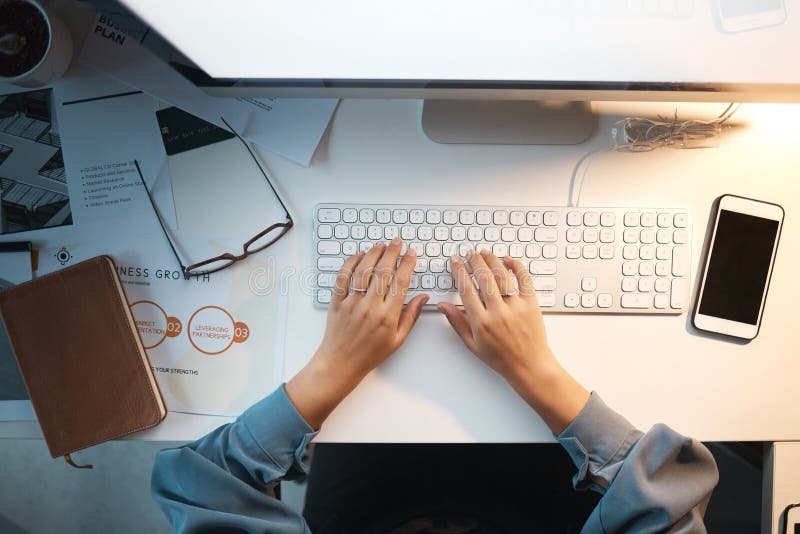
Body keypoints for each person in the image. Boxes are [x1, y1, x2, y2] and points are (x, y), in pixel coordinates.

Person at [151, 239, 719, 533]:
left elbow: (205, 483)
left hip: (362, 510)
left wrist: (335, 367)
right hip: (548, 509)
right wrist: (534, 370)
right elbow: (663, 504)